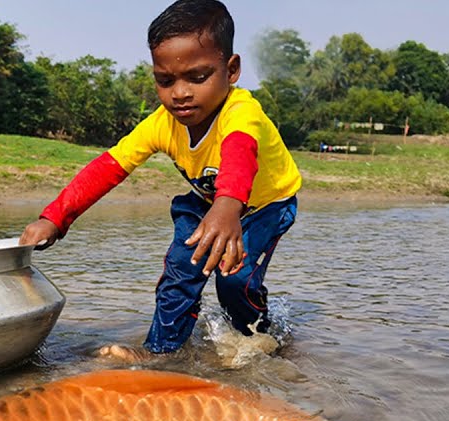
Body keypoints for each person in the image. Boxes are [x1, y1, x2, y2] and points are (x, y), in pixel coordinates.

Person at [18, 0, 301, 361]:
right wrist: (56, 217)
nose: (180, 93)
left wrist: (228, 207)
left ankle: (259, 337)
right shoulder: (162, 123)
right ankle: (161, 354)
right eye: (165, 80)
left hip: (265, 204)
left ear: (231, 70)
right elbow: (108, 168)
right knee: (180, 272)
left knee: (233, 281)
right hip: (208, 203)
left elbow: (239, 154)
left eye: (197, 77)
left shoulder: (242, 113)